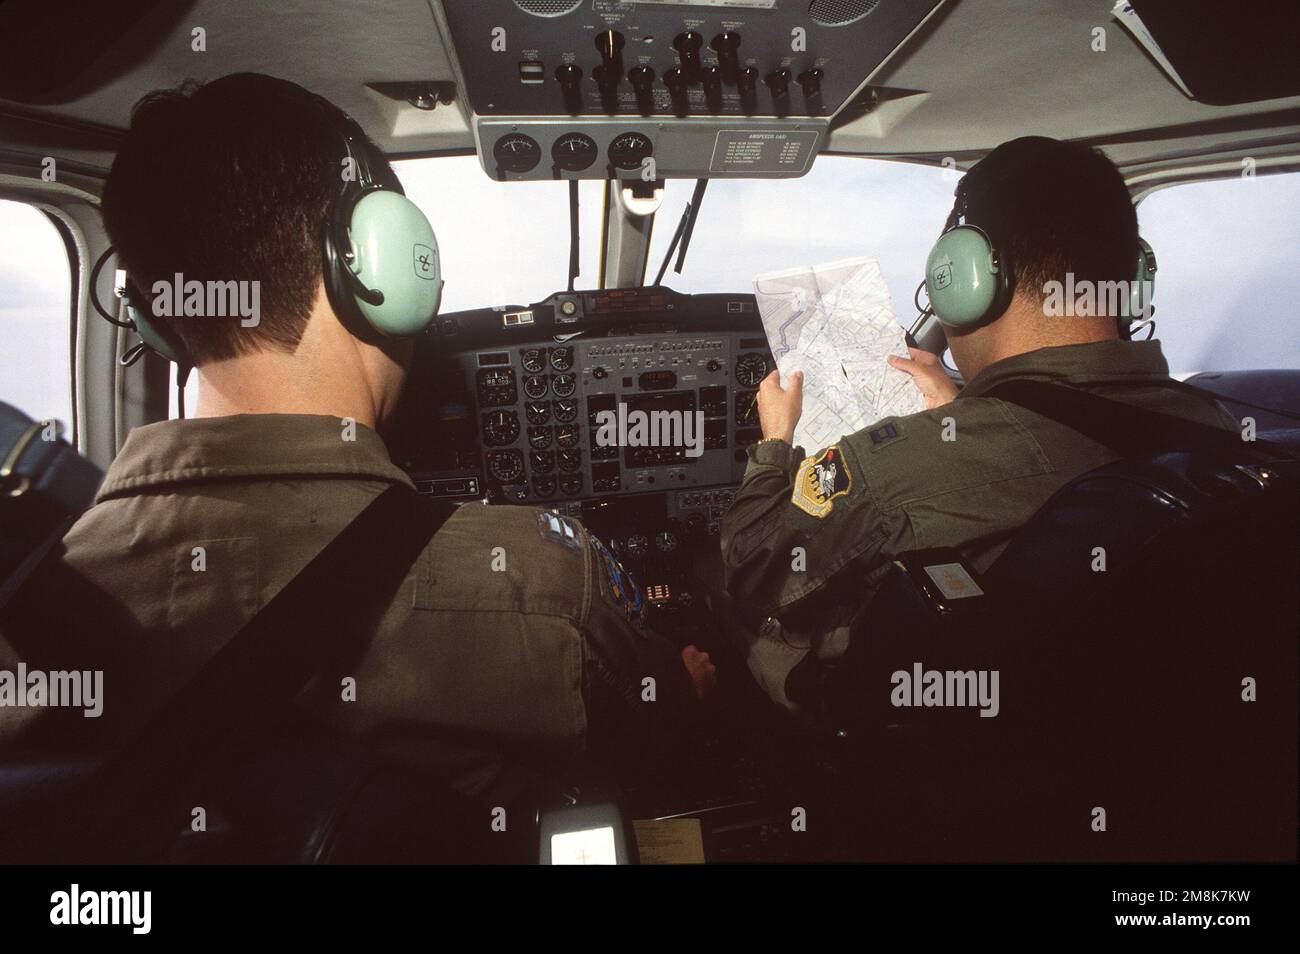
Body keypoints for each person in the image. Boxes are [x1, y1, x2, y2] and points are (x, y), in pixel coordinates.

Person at [0, 73, 714, 799]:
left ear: (153, 313)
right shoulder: (539, 579)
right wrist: (680, 683)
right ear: (379, 264)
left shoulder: (30, 616)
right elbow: (650, 734)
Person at [720, 136, 1238, 715]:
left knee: (734, 611)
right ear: (1132, 276)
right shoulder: (1217, 429)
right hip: (1130, 724)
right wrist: (958, 409)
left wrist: (774, 443)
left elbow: (754, 565)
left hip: (919, 733)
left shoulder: (893, 472)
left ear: (964, 279)